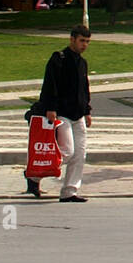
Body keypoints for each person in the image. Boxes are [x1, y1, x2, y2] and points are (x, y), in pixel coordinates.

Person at [38, 24, 92, 203]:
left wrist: (87, 111)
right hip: (62, 113)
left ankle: (70, 191)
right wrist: (50, 108)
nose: (84, 45)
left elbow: (84, 88)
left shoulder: (82, 63)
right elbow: (50, 84)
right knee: (67, 152)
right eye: (81, 41)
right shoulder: (58, 59)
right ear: (72, 39)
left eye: (87, 42)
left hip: (78, 114)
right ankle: (34, 176)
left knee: (80, 154)